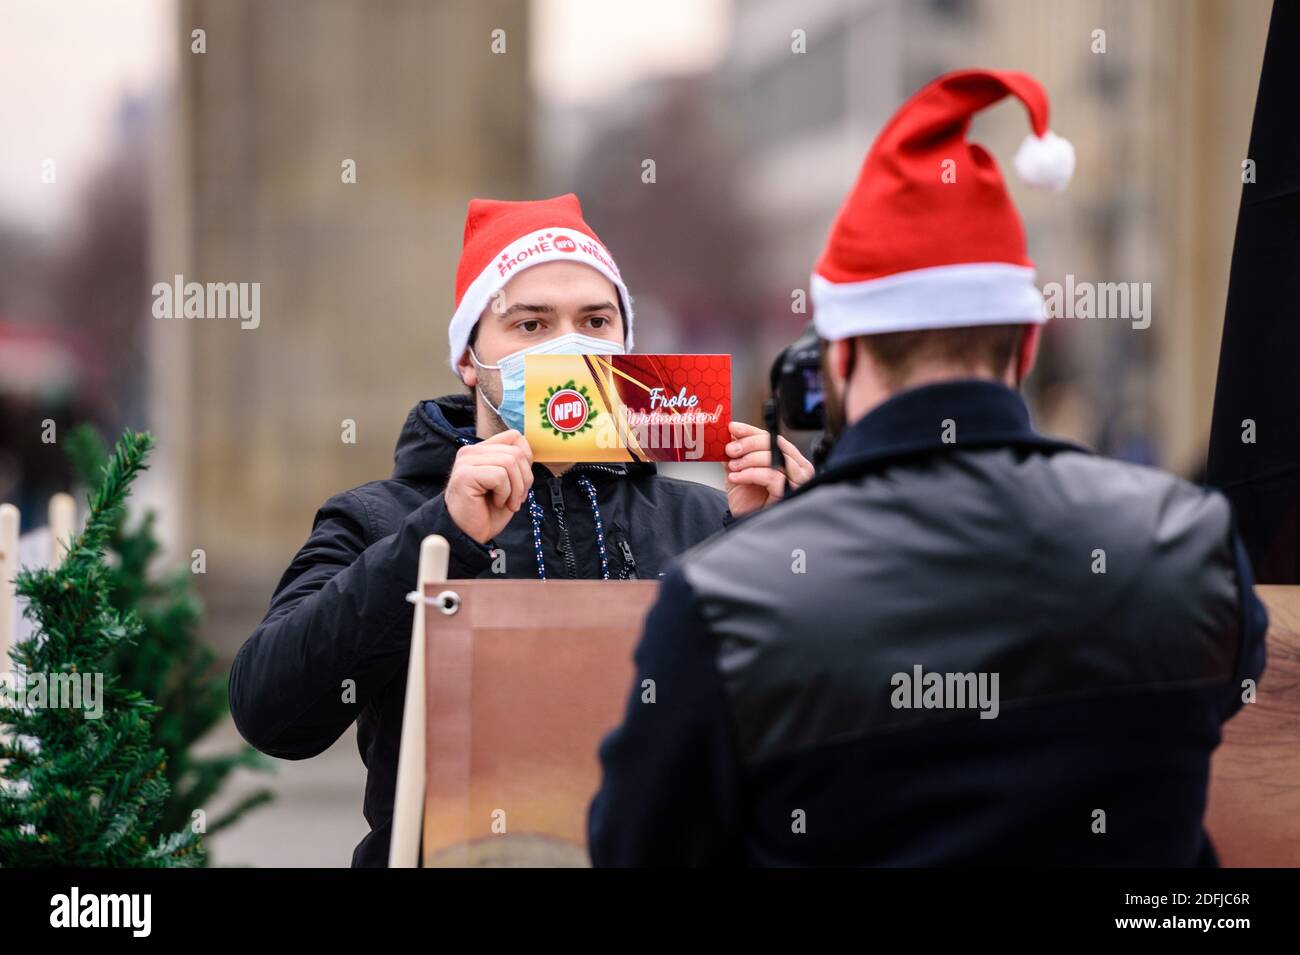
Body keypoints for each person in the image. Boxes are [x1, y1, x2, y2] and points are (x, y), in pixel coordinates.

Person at [588, 69, 1269, 866]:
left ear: (838, 355)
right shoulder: (1188, 541)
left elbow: (638, 845)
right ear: (1027, 343)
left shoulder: (724, 600)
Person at [229, 193, 813, 866]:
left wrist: (779, 547)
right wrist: (438, 537)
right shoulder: (377, 518)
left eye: (595, 320)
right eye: (530, 325)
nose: (570, 345)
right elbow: (270, 710)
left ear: (625, 341)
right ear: (470, 359)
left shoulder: (709, 516)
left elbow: (808, 733)